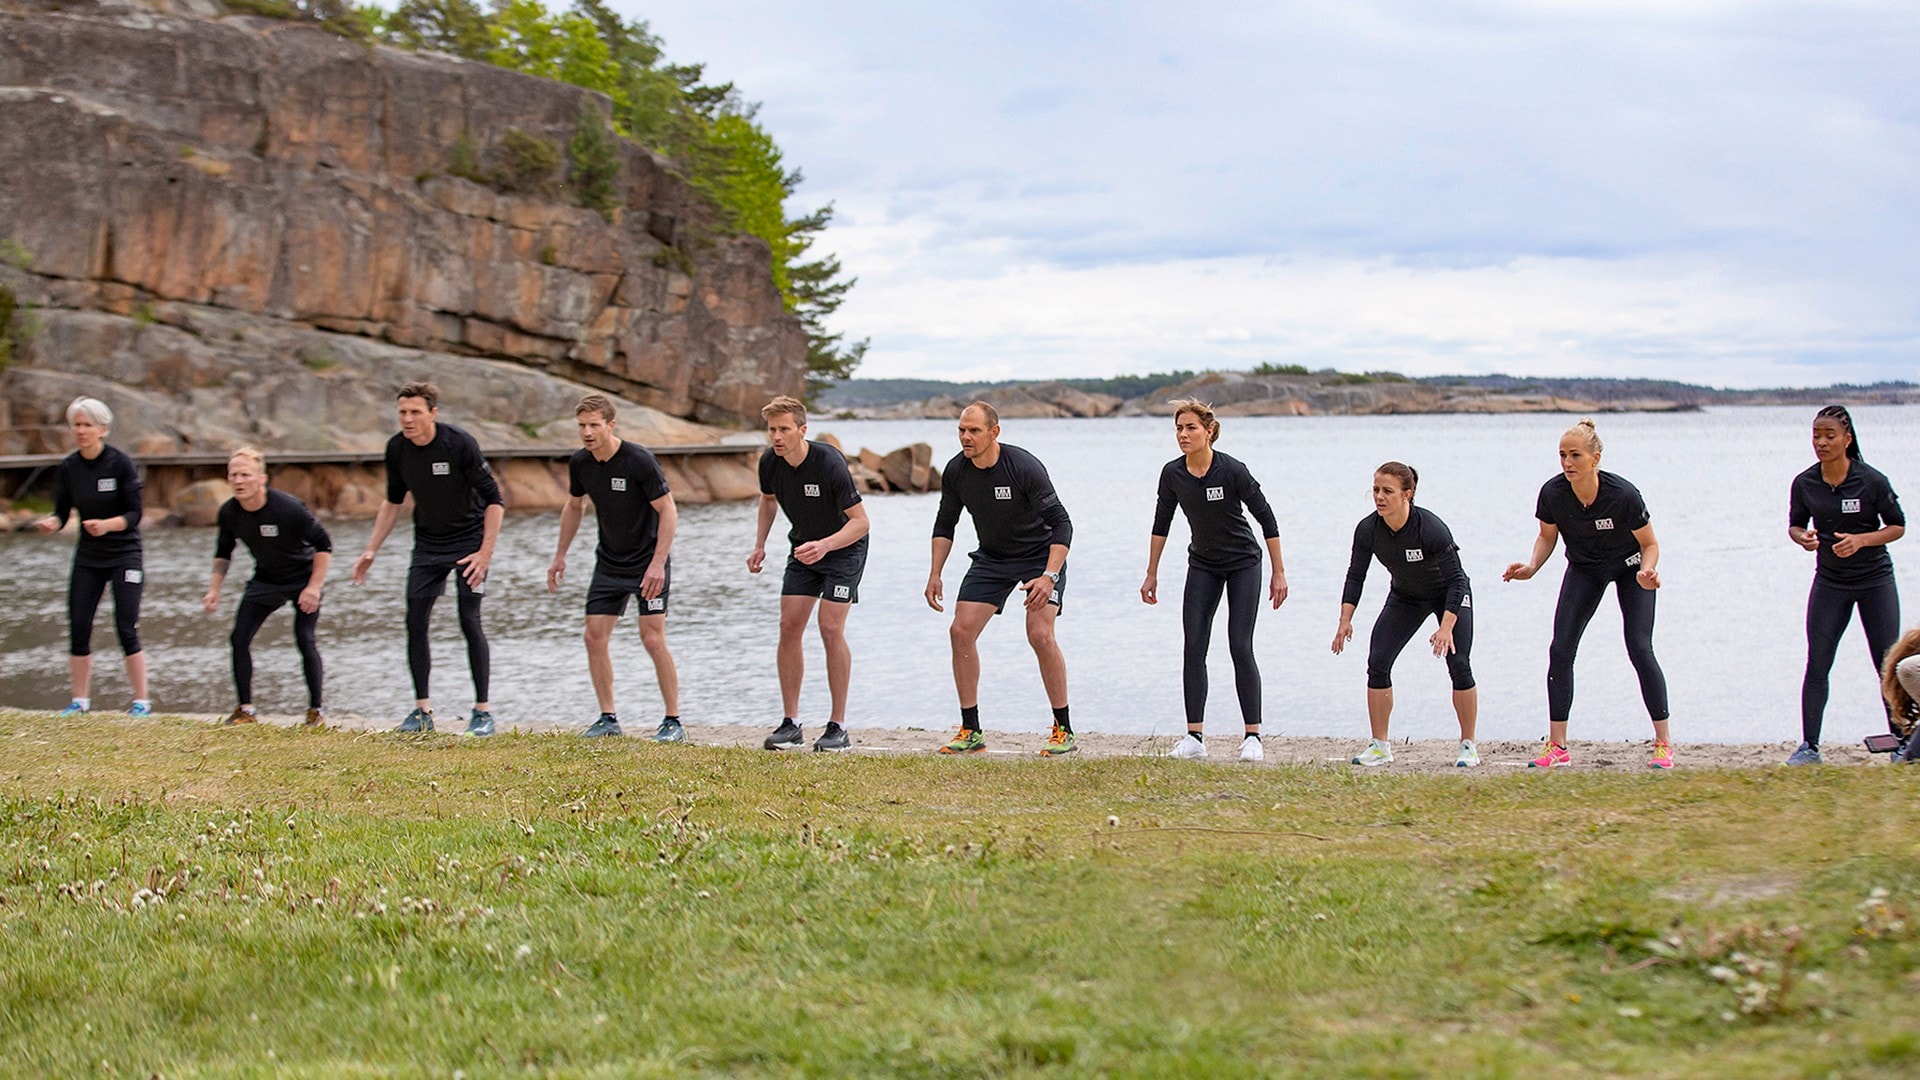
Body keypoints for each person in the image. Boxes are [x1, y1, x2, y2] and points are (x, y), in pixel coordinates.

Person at [1502, 419, 1672, 769]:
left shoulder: (1623, 495)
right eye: (1562, 455)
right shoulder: (1552, 494)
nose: (1567, 463)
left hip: (1630, 569)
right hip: (1584, 569)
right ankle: (1558, 746)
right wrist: (1532, 567)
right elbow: (1547, 537)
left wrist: (1647, 570)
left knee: (1639, 647)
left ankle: (1663, 743)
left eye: (1575, 455)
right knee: (1560, 649)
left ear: (1596, 458)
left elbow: (1650, 544)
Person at [351, 381, 504, 735]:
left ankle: (482, 712)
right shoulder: (397, 449)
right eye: (402, 412)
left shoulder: (458, 443)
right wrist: (371, 549)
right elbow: (392, 502)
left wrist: (484, 554)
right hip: (428, 546)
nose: (407, 419)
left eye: (415, 412)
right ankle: (422, 711)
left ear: (432, 413)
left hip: (469, 543)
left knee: (469, 620)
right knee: (415, 622)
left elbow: (495, 501)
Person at [925, 402, 1076, 756]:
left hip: (1040, 557)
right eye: (961, 430)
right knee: (960, 631)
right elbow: (945, 524)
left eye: (974, 430)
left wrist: (1049, 576)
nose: (966, 437)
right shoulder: (956, 471)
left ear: (994, 432)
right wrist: (935, 573)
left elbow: (1062, 524)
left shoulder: (1023, 466)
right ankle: (971, 729)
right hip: (993, 558)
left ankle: (1063, 729)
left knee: (1039, 634)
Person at [1141, 400, 1288, 762]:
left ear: (1209, 431)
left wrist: (1278, 572)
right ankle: (1194, 737)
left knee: (1240, 645)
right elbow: (1162, 523)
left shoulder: (1232, 470)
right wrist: (1151, 572)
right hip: (1203, 564)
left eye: (1191, 427)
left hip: (1243, 564)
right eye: (1178, 428)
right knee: (1194, 647)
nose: (1183, 435)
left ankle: (1252, 737)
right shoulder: (1172, 474)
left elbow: (1267, 519)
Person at [547, 394, 682, 740]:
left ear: (610, 425)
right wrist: (560, 555)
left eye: (594, 425)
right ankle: (608, 719)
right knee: (593, 636)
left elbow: (668, 511)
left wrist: (657, 564)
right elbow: (574, 507)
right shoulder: (581, 463)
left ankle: (673, 721)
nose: (587, 432)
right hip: (609, 561)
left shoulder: (638, 460)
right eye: (582, 426)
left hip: (647, 561)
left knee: (652, 638)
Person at [1331, 462, 1479, 767]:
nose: (1379, 497)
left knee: (1459, 663)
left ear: (1407, 495)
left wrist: (1447, 626)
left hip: (1449, 596)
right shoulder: (1368, 530)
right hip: (1406, 597)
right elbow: (1355, 575)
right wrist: (1345, 620)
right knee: (1378, 660)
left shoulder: (1430, 529)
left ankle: (1468, 745)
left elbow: (1457, 581)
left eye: (1388, 491)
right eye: (1375, 490)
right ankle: (1380, 746)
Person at [748, 396, 871, 752]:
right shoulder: (770, 462)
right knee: (789, 626)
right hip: (803, 548)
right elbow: (768, 500)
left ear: (802, 430)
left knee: (830, 627)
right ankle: (791, 724)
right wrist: (760, 545)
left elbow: (861, 523)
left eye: (784, 429)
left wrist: (827, 546)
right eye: (772, 429)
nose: (777, 436)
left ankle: (838, 727)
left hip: (844, 548)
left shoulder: (828, 462)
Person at [1785, 405, 1904, 765]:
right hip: (1830, 583)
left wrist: (1861, 540)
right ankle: (1809, 747)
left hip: (1875, 582)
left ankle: (1903, 743)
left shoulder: (1872, 481)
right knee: (1818, 662)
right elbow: (1794, 524)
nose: (1821, 442)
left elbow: (1897, 526)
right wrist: (1801, 538)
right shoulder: (1805, 482)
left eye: (1829, 435)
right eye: (1816, 435)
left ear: (1847, 439)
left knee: (1888, 664)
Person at [34, 396, 150, 717]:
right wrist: (52, 523)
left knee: (126, 626)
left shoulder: (120, 464)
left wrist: (107, 525)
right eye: (77, 425)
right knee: (79, 624)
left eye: (87, 425)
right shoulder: (69, 468)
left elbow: (135, 513)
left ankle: (141, 701)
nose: (81, 431)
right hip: (89, 557)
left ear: (103, 429)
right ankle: (79, 701)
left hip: (125, 554)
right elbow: (61, 513)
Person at [201, 448, 332, 727]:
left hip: (303, 578)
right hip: (266, 579)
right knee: (238, 638)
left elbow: (324, 545)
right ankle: (246, 710)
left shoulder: (287, 507)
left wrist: (314, 588)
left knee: (304, 638)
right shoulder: (230, 512)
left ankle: (316, 711)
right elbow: (224, 552)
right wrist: (214, 590)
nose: (238, 480)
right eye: (233, 475)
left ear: (261, 478)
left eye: (245, 474)